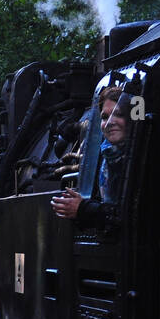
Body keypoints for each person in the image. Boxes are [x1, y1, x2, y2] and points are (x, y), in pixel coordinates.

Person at [51, 87, 131, 227]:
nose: (110, 122)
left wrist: (84, 209)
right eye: (105, 117)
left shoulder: (141, 158)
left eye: (118, 114)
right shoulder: (103, 157)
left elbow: (131, 214)